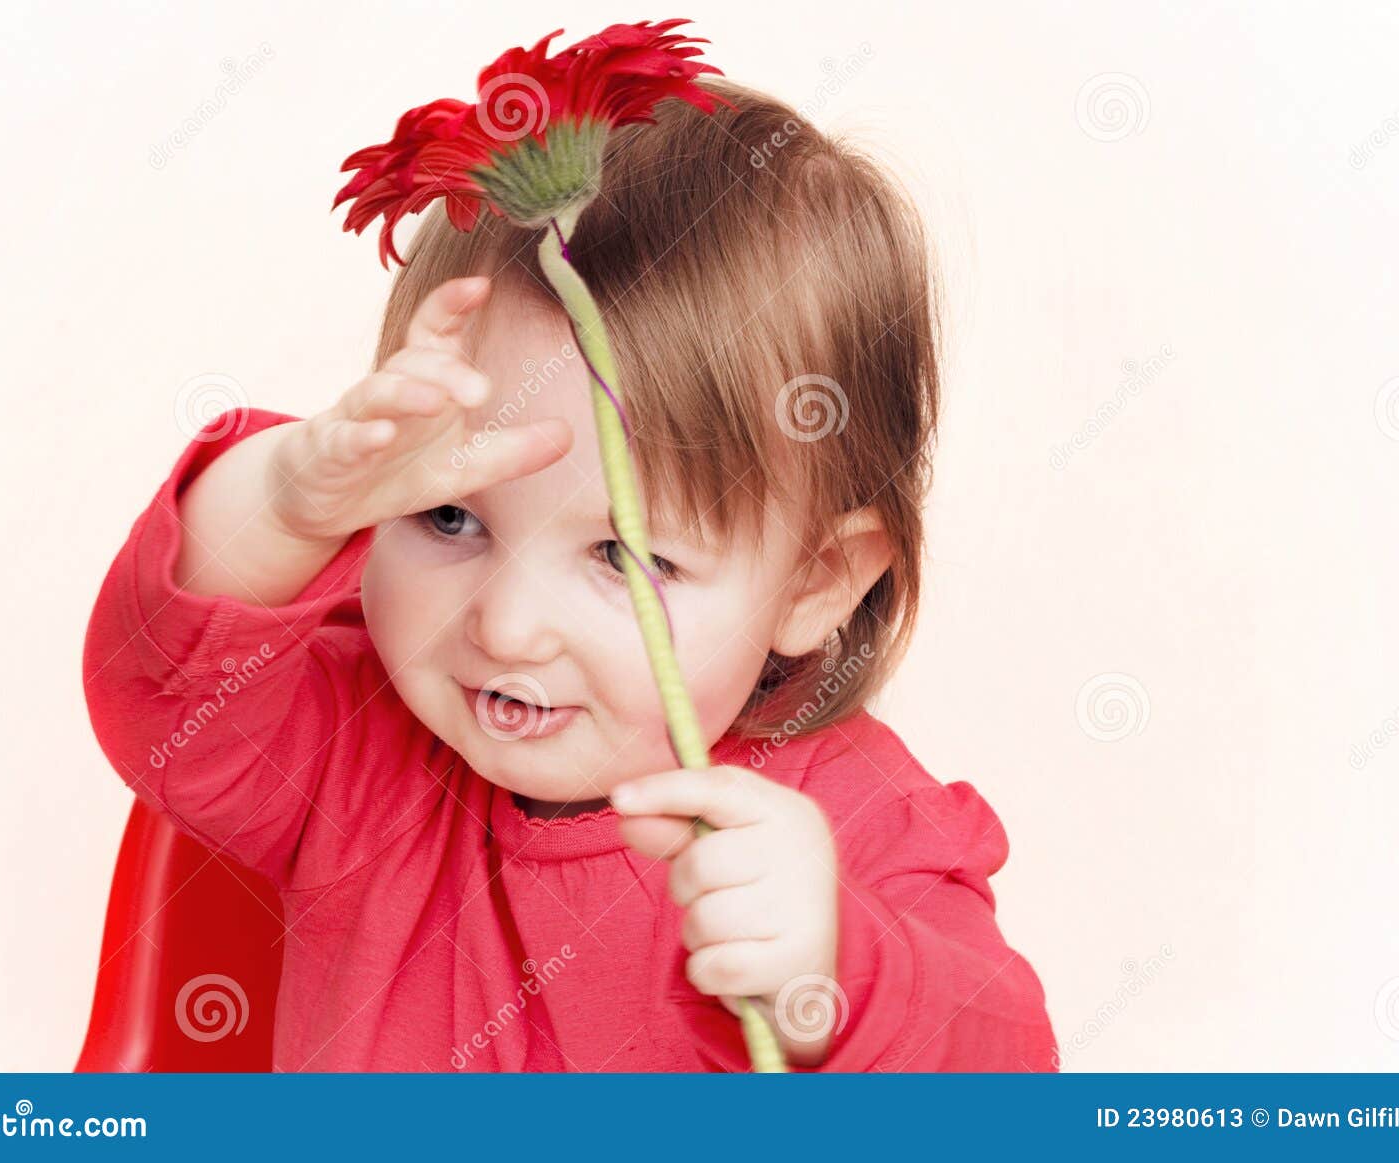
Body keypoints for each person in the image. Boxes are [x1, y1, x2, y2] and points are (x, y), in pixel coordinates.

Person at [82, 78, 1057, 1072]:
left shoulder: (852, 829)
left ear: (816, 581)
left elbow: (1012, 1081)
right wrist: (285, 501)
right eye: (447, 514)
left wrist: (835, 976)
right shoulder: (351, 747)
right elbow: (164, 686)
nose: (505, 626)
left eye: (622, 554)